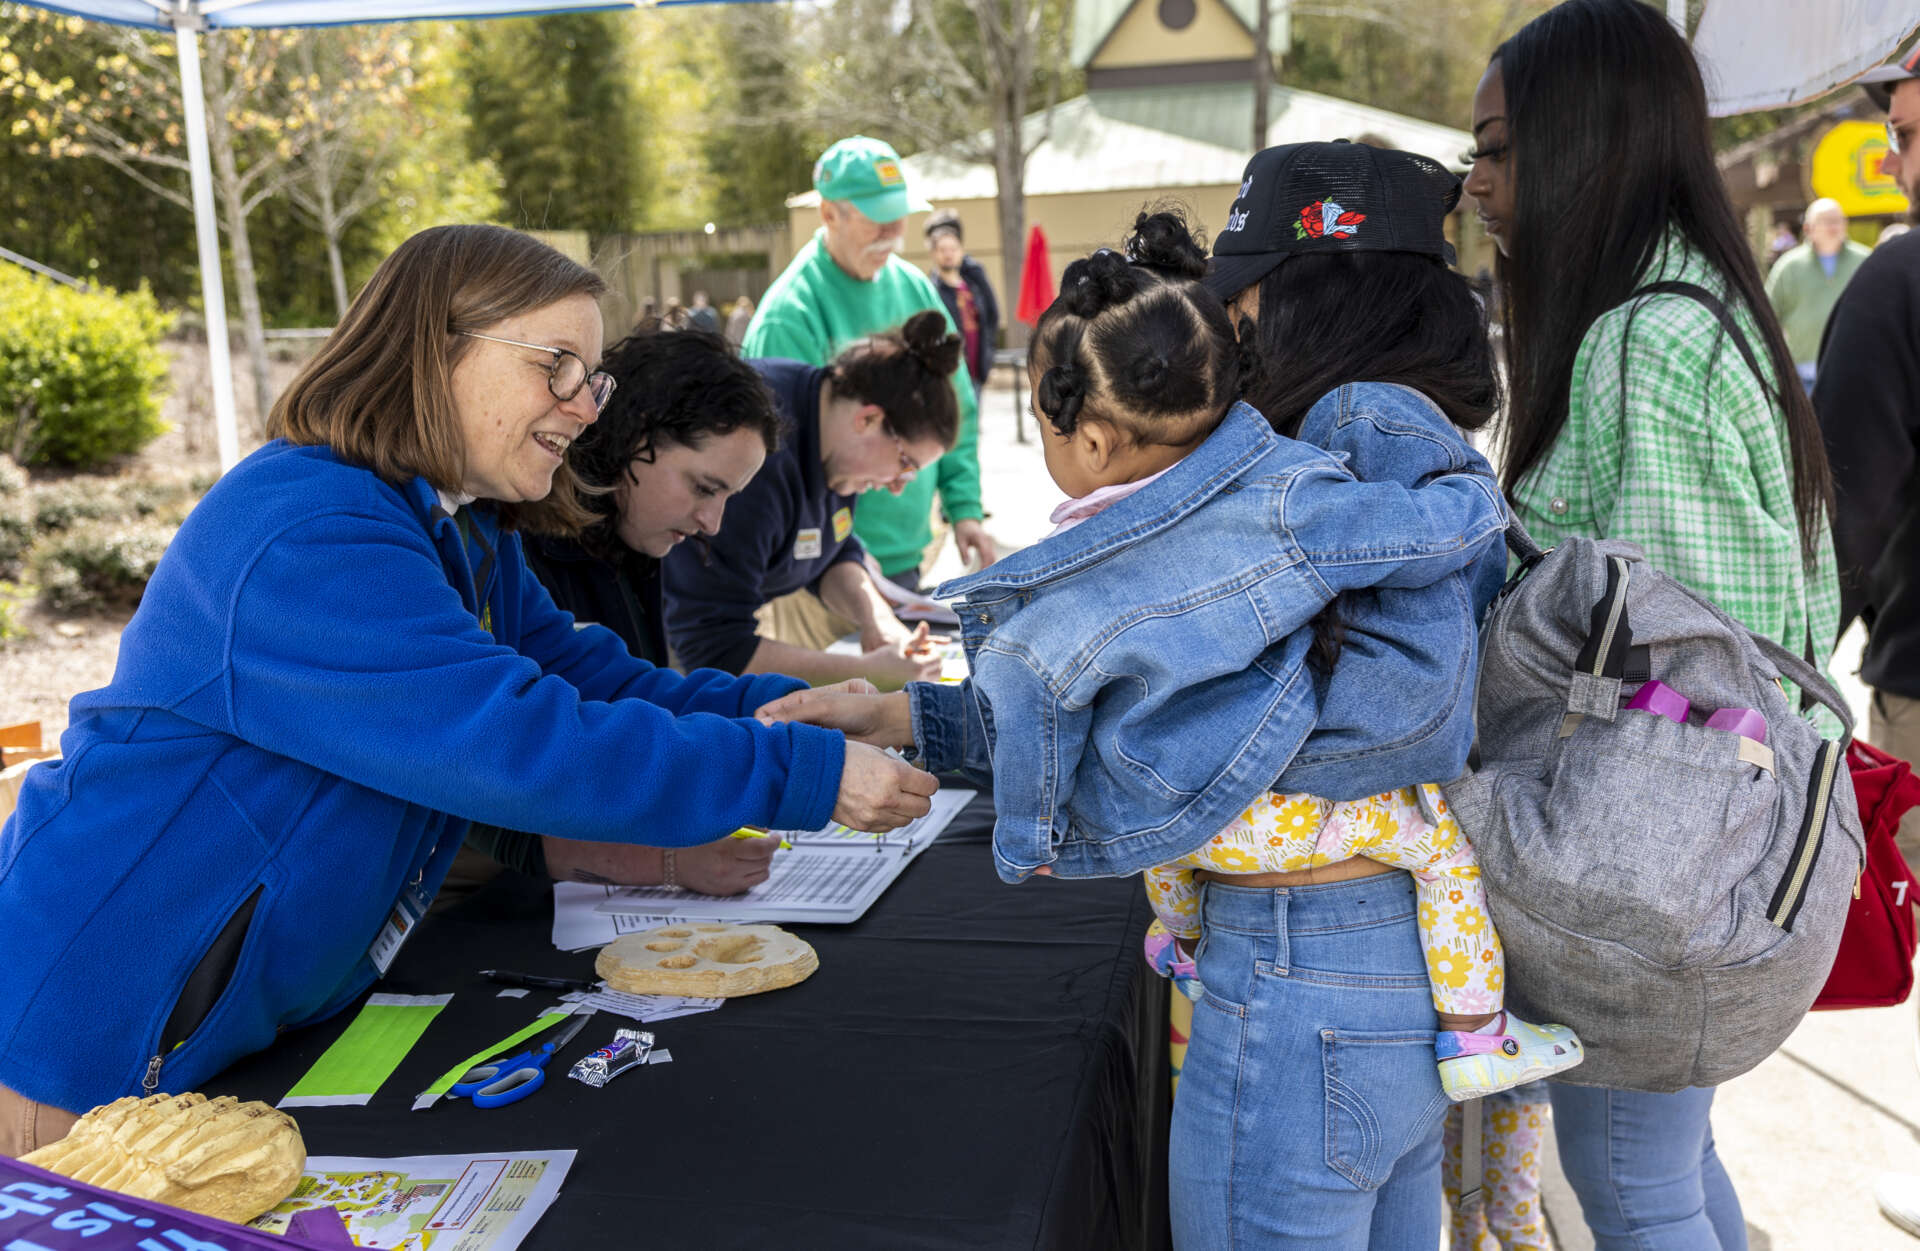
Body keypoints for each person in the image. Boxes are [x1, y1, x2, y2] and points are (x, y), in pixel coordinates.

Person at [0, 224, 939, 1157]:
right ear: (433, 348)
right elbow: (520, 741)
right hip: (83, 1041)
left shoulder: (458, 527)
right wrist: (800, 768)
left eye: (594, 379)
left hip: (209, 1031)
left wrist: (791, 712)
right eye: (557, 366)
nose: (585, 407)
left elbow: (589, 678)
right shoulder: (308, 529)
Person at [762, 206, 1564, 1247]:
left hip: (1295, 970)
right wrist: (901, 711)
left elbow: (1120, 719)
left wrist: (1028, 824)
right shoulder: (1296, 483)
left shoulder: (1314, 458)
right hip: (1381, 970)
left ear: (1093, 437)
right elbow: (1142, 711)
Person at [1466, 3, 1841, 1246]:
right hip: (1715, 863)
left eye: (1499, 149)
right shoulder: (1690, 307)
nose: (1476, 184)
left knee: (1630, 1182)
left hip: (1665, 871)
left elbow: (1681, 673)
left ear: (1589, 140)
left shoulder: (1645, 340)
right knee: (1667, 1172)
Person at [1202, 137, 1572, 1251]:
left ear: (1316, 292)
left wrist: (1193, 757)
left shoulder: (1361, 417)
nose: (1233, 321)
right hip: (1362, 957)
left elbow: (1408, 709)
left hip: (1309, 950)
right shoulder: (1385, 418)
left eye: (1248, 291)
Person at [460, 325, 788, 896]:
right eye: (703, 487)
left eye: (727, 498)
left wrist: (791, 717)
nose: (712, 522)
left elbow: (632, 695)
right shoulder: (519, 535)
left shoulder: (630, 539)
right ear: (636, 438)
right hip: (481, 883)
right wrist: (662, 861)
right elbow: (483, 764)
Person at [1813, 52, 1920, 1240]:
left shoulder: (1900, 282)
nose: (1895, 160)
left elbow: (1847, 512)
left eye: (1910, 135)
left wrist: (1793, 675)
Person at [744, 135, 996, 591]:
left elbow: (955, 407)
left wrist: (964, 508)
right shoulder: (790, 313)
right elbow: (779, 464)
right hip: (815, 573)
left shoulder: (914, 287)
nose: (894, 232)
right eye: (878, 219)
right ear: (829, 214)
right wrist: (843, 556)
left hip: (906, 555)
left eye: (899, 216)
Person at [663, 312, 961, 689]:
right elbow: (713, 649)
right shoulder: (761, 456)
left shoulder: (831, 436)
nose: (897, 486)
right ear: (868, 420)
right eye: (905, 464)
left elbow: (831, 549)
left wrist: (879, 622)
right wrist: (865, 671)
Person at [1765, 198, 1869, 389]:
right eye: (1827, 221)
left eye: (1839, 220)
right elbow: (1767, 317)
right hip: (1802, 375)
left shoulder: (1865, 261)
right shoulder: (1788, 266)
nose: (1834, 226)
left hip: (1855, 370)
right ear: (1808, 228)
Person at [923, 210, 1001, 392]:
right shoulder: (930, 290)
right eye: (942, 250)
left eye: (953, 249)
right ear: (933, 253)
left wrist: (988, 357)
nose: (948, 254)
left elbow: (992, 317)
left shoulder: (975, 282)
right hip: (949, 376)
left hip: (977, 372)